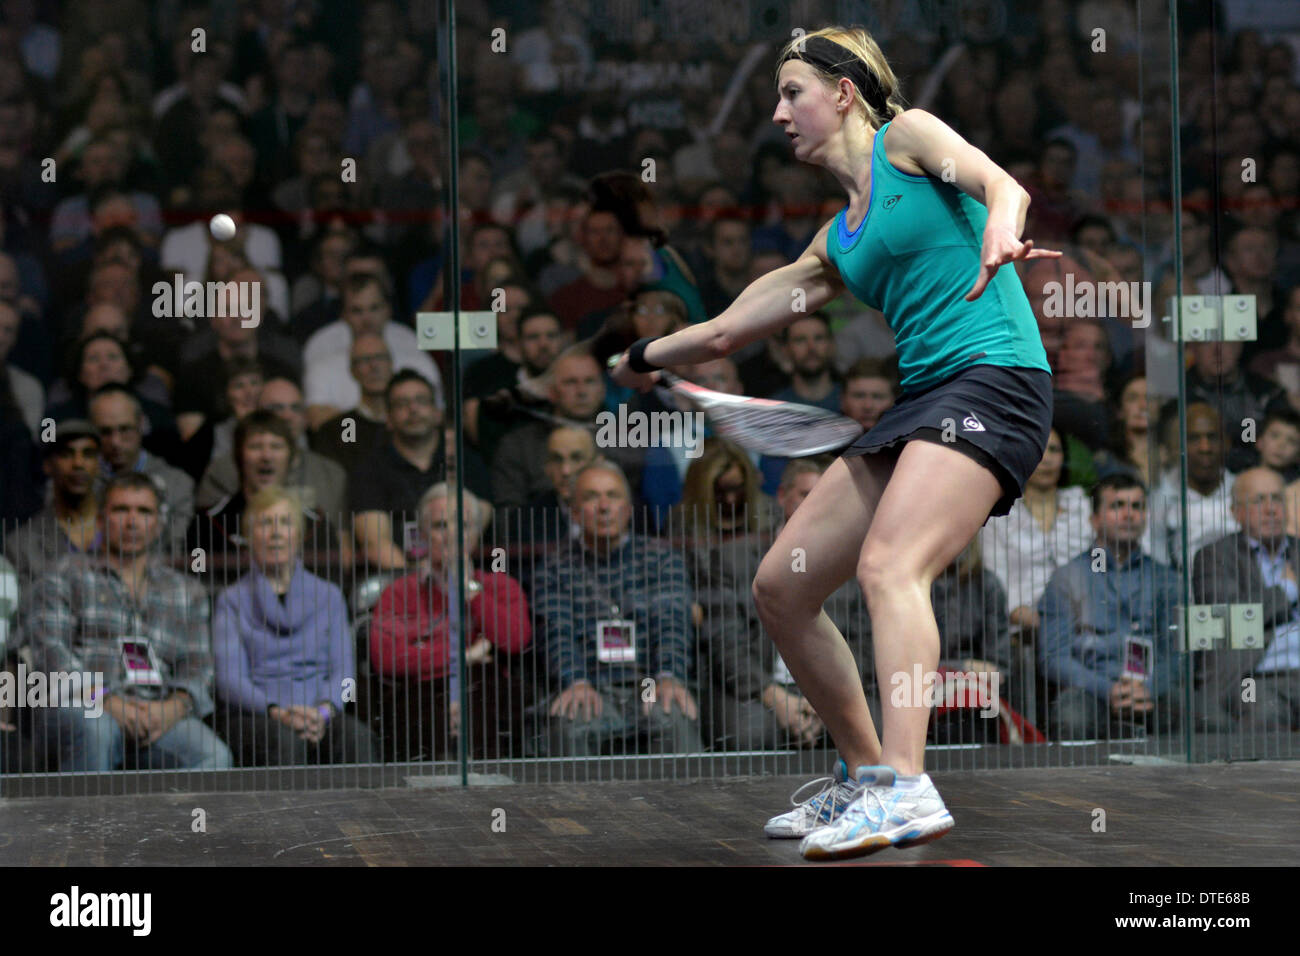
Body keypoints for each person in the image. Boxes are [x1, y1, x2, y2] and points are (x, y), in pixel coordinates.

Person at [610, 26, 1058, 860]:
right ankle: (865, 777)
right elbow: (722, 333)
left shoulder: (910, 138)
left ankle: (909, 787)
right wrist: (641, 357)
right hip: (923, 400)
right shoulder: (836, 243)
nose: (779, 114)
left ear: (844, 91)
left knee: (893, 566)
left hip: (996, 383)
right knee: (781, 586)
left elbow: (1004, 186)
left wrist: (1000, 229)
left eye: (791, 93)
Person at [24, 473, 233, 772]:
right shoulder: (63, 574)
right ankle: (88, 821)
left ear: (159, 524)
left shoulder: (186, 592)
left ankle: (183, 822)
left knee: (213, 755)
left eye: (144, 511)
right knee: (97, 729)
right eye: (121, 510)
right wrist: (106, 701)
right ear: (100, 519)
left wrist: (172, 709)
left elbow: (199, 667)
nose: (132, 521)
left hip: (156, 712)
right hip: (82, 706)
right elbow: (51, 655)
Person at [213, 486, 379, 767]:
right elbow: (230, 679)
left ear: (299, 537)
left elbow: (344, 674)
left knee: (356, 737)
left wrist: (323, 713)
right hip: (258, 716)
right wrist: (277, 712)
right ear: (249, 537)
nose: (276, 533)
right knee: (283, 741)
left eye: (286, 523)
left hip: (320, 714)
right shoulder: (231, 599)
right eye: (266, 523)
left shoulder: (329, 595)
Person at [369, 484, 532, 761]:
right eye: (441, 526)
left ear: (477, 534)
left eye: (464, 526)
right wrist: (466, 656)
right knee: (424, 715)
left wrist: (471, 592)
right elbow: (387, 658)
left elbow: (515, 640)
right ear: (421, 535)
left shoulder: (500, 585)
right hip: (420, 694)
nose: (453, 536)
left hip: (486, 693)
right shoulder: (399, 591)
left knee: (488, 703)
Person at [1037, 474, 1182, 740]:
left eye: (1137, 507)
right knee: (1072, 718)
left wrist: (1149, 687)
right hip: (1092, 688)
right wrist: (1109, 690)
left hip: (1153, 689)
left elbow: (1179, 653)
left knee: (1207, 718)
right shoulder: (1068, 578)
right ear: (1094, 520)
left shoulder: (1166, 578)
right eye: (1117, 506)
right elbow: (1053, 657)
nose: (1129, 514)